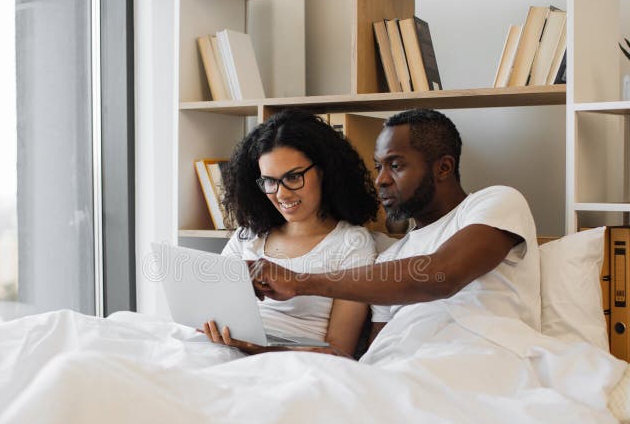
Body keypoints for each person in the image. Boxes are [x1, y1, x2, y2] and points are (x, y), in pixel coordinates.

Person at [247, 108, 541, 361]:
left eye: (396, 165)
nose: (380, 180)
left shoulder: (496, 202)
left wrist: (300, 282)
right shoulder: (389, 259)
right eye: (378, 167)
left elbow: (441, 276)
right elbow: (369, 355)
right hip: (394, 374)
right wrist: (261, 347)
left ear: (444, 168)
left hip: (481, 360)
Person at [202, 109, 380, 358]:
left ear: (324, 171)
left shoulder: (352, 243)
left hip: (287, 363)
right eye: (269, 181)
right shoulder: (248, 235)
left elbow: (339, 352)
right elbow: (211, 309)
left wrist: (260, 346)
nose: (281, 194)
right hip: (217, 350)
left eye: (294, 177)